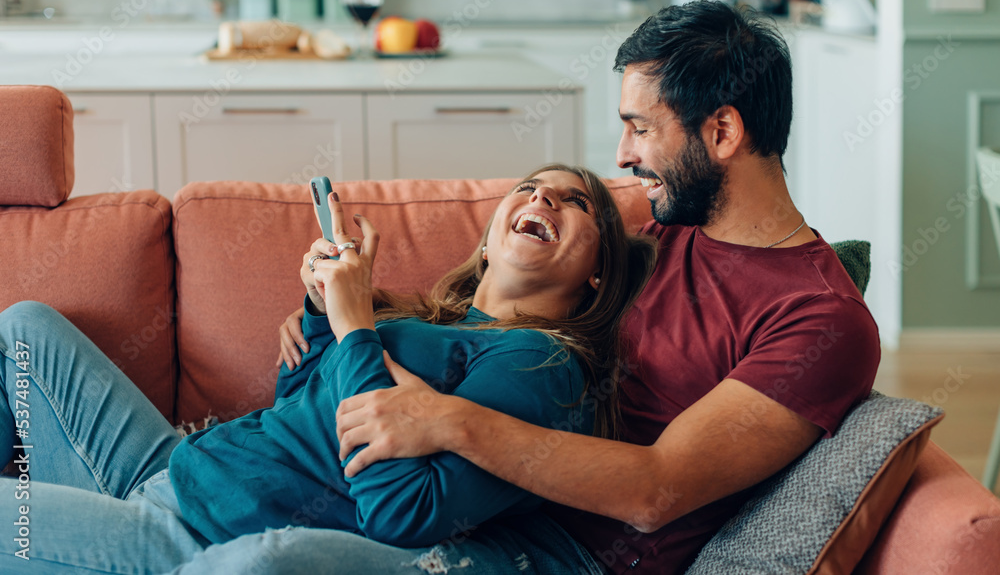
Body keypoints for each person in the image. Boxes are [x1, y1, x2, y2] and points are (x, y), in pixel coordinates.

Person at [171, 1, 880, 574]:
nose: (623, 156)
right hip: (480, 501)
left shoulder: (820, 318)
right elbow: (498, 307)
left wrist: (447, 418)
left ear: (722, 130)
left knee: (264, 561)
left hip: (557, 552)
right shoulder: (666, 233)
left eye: (640, 129)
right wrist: (334, 314)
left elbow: (656, 488)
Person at [0, 165, 656, 572]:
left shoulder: (541, 363)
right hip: (176, 463)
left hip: (201, 530)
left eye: (575, 202)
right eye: (531, 187)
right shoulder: (427, 318)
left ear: (598, 272)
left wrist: (352, 325)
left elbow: (405, 510)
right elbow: (302, 399)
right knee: (23, 325)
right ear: (486, 240)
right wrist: (321, 313)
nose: (544, 196)